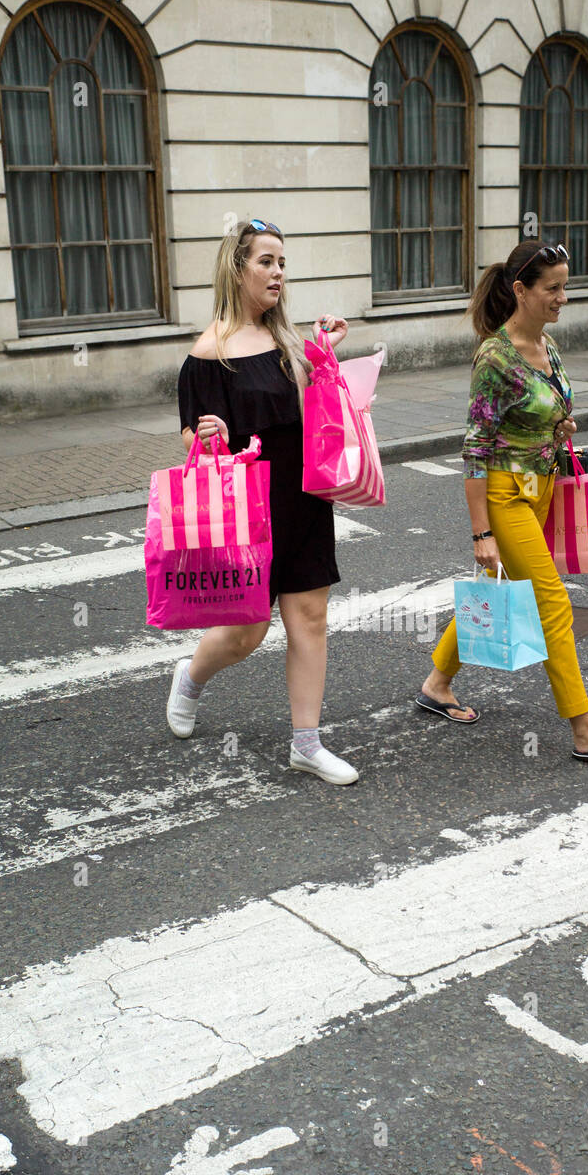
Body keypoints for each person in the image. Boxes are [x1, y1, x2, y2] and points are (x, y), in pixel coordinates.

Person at [416, 238, 588, 761]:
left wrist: (558, 423)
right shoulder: (494, 358)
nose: (564, 297)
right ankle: (584, 727)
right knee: (551, 603)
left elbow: (543, 407)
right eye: (554, 288)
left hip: (543, 491)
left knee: (504, 591)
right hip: (506, 496)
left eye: (566, 286)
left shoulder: (547, 345)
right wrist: (482, 532)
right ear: (520, 290)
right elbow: (475, 448)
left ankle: (436, 683)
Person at [166, 218, 359, 784]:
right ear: (237, 268)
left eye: (282, 263)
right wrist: (210, 438)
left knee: (310, 617)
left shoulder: (290, 340)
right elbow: (190, 438)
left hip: (302, 494)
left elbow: (316, 410)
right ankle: (190, 678)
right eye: (265, 262)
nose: (277, 273)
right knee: (247, 631)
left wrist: (325, 356)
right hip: (249, 502)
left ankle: (307, 741)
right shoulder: (209, 354)